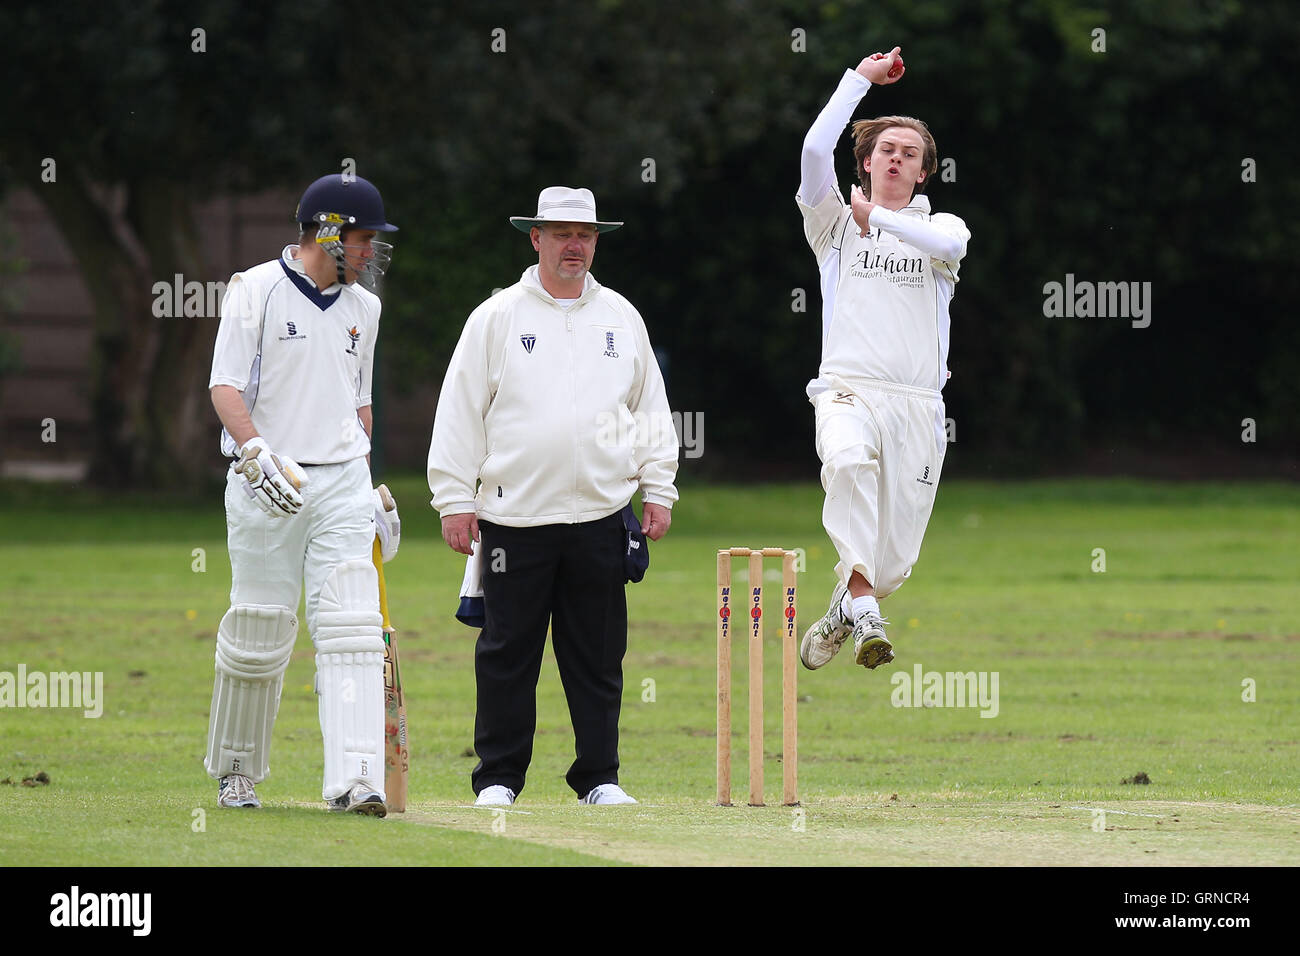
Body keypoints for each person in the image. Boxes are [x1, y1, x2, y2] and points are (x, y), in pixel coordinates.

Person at [428, 186, 678, 807]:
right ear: (535, 238)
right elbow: (460, 410)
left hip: (600, 514)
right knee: (508, 654)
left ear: (596, 242)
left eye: (586, 235)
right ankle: (498, 779)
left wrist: (659, 485)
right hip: (515, 517)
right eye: (562, 234)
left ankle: (599, 778)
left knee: (596, 658)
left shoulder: (621, 316)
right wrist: (454, 497)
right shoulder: (497, 316)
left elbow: (649, 407)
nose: (575, 246)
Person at [205, 173, 400, 815]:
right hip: (268, 480)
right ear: (327, 231)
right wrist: (256, 451)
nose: (370, 252)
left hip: (341, 478)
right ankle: (237, 773)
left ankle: (357, 780)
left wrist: (366, 488)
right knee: (260, 625)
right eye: (363, 238)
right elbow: (226, 388)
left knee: (352, 627)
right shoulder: (252, 290)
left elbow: (359, 405)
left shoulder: (364, 309)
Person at [796, 47, 971, 673]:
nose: (897, 158)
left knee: (893, 561)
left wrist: (884, 221)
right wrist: (858, 82)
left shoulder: (940, 232)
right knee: (845, 460)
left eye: (910, 154)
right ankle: (865, 608)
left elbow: (950, 240)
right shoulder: (835, 227)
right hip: (848, 389)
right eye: (886, 150)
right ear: (867, 161)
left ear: (923, 172)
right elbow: (815, 153)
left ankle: (850, 604)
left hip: (919, 406)